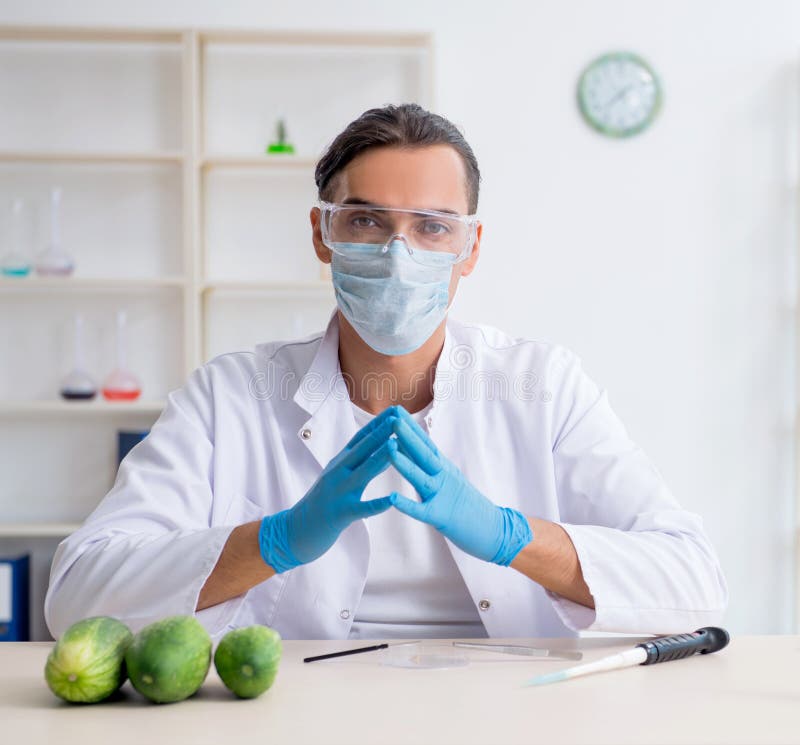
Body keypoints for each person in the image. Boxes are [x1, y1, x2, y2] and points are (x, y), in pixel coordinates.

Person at [45, 104, 727, 641]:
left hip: (516, 707)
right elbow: (76, 594)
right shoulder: (232, 395)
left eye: (433, 226)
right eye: (367, 221)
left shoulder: (545, 386)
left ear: (470, 246)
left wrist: (512, 535)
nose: (400, 254)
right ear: (323, 233)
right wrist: (274, 541)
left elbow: (695, 580)